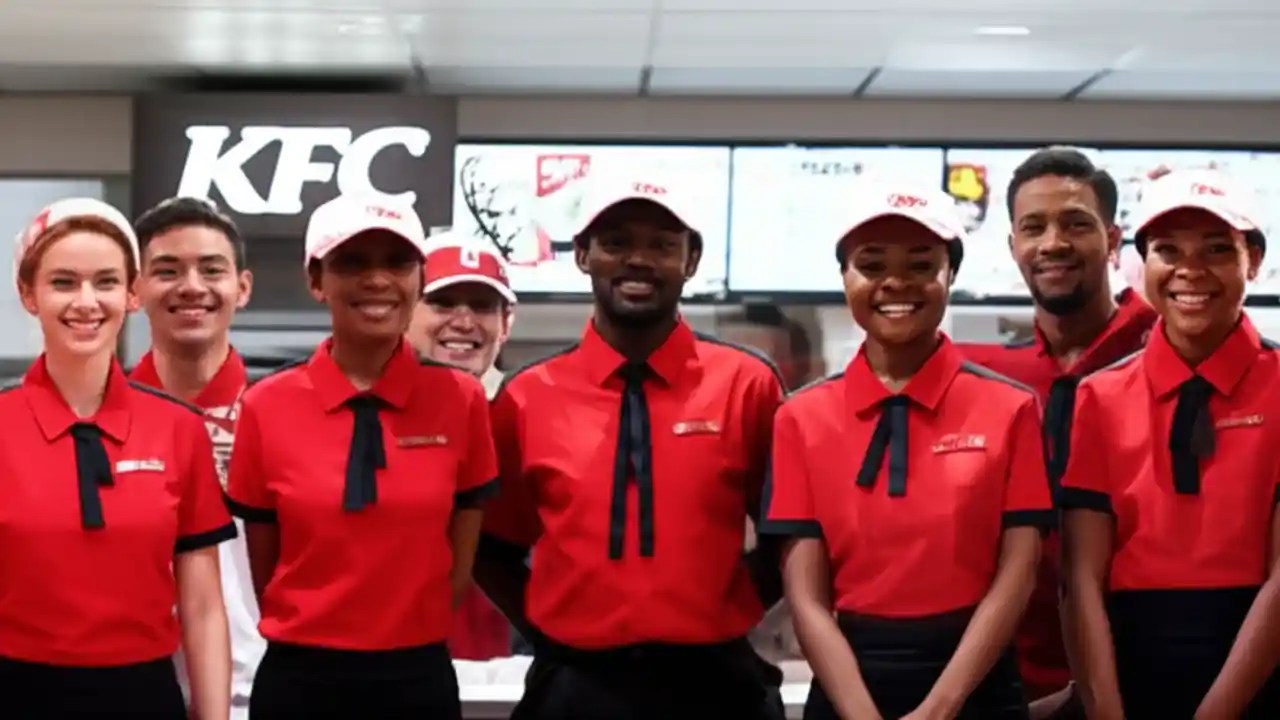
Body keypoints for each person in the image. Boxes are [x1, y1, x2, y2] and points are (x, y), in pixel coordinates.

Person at [474, 177, 787, 719]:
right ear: (582, 256)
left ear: (691, 261)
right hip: (577, 687)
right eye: (616, 242)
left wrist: (730, 601)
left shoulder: (746, 384)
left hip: (716, 685)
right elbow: (490, 546)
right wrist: (550, 623)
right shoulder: (528, 397)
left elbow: (789, 531)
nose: (638, 260)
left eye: (662, 245)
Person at [762, 181, 1052, 720]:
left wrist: (942, 707)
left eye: (921, 264)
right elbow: (806, 596)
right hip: (849, 681)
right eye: (872, 265)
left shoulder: (1010, 407)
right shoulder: (799, 417)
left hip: (975, 683)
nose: (896, 282)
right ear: (844, 276)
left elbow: (1018, 572)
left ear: (951, 274)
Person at [223, 194, 499, 719]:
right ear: (315, 279)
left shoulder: (460, 401)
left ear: (418, 277)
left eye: (396, 263)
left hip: (416, 679)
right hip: (300, 681)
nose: (377, 280)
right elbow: (264, 563)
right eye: (352, 263)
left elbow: (461, 556)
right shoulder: (265, 407)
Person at [0, 198, 234, 719]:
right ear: (28, 294)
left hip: (144, 695)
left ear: (131, 294)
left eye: (105, 282)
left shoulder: (178, 429)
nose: (86, 301)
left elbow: (201, 608)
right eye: (63, 282)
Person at [1059, 169, 1280, 719]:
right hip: (1131, 664)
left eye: (1216, 249)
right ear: (1142, 265)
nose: (1190, 270)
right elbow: (1082, 576)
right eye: (1167, 250)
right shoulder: (1100, 396)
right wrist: (1106, 712)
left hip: (1261, 663)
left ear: (1252, 260)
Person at [956, 147, 1157, 717]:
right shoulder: (989, 379)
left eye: (1076, 224)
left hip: (1145, 681)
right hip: (1006, 684)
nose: (1053, 244)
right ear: (1012, 246)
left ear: (1114, 240)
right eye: (1033, 227)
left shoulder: (1165, 355)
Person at [129, 196, 263, 714]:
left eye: (211, 269)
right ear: (135, 290)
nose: (191, 287)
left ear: (242, 287)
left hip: (268, 695)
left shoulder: (280, 417)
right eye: (167, 270)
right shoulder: (96, 424)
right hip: (134, 693)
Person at [408, 231, 519, 661]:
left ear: (507, 323)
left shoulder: (529, 416)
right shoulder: (364, 416)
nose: (464, 321)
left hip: (513, 670)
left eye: (483, 306)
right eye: (443, 302)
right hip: (392, 667)